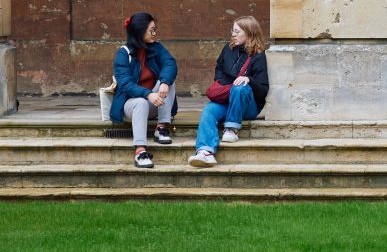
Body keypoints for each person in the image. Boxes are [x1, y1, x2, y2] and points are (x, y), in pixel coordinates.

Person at [189, 16, 270, 168]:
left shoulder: (258, 56)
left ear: (249, 33)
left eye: (237, 31)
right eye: (232, 30)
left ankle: (232, 128)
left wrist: (249, 80)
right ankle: (205, 152)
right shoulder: (228, 49)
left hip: (247, 106)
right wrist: (221, 82)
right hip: (227, 98)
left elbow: (263, 90)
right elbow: (219, 69)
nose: (233, 34)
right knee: (208, 111)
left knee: (240, 87)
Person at [109, 12, 177, 169]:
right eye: (151, 30)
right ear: (140, 31)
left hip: (153, 103)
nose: (154, 33)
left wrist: (164, 83)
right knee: (140, 102)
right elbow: (125, 83)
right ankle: (140, 151)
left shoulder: (156, 47)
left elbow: (170, 64)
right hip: (130, 106)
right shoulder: (123, 53)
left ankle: (161, 128)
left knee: (167, 81)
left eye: (155, 29)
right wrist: (147, 94)